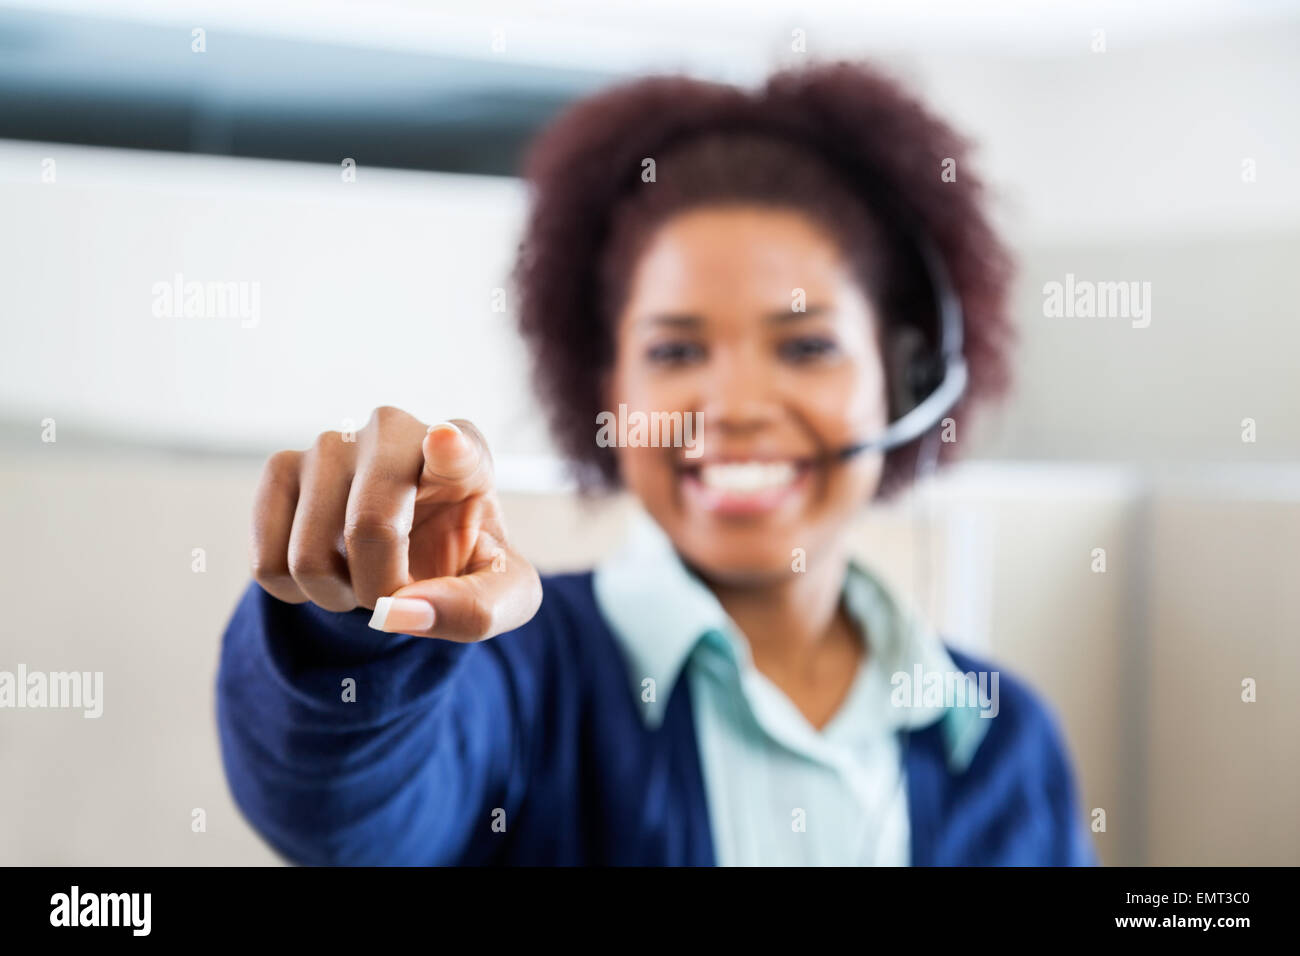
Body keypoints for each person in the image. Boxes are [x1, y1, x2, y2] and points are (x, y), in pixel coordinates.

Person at [217, 61, 1096, 865]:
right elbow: (345, 813)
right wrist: (359, 624)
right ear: (607, 394)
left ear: (907, 383)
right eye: (676, 354)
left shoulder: (1001, 739)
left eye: (806, 347)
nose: (738, 405)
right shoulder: (521, 677)